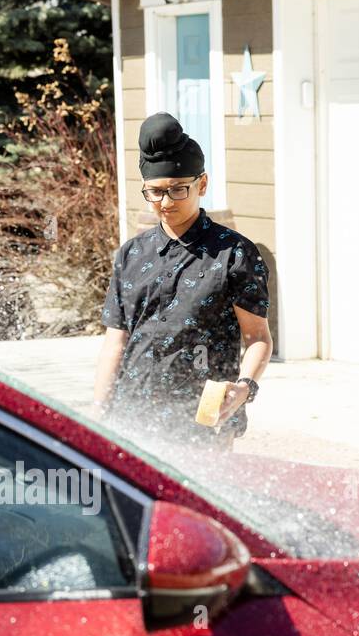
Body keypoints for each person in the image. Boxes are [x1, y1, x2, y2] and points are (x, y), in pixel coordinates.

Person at [93, 112, 272, 450]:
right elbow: (115, 343)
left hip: (206, 418)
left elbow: (258, 337)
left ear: (201, 184)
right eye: (155, 192)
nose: (165, 202)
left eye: (177, 190)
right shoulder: (131, 255)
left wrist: (245, 387)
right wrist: (99, 413)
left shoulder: (234, 253)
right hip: (132, 415)